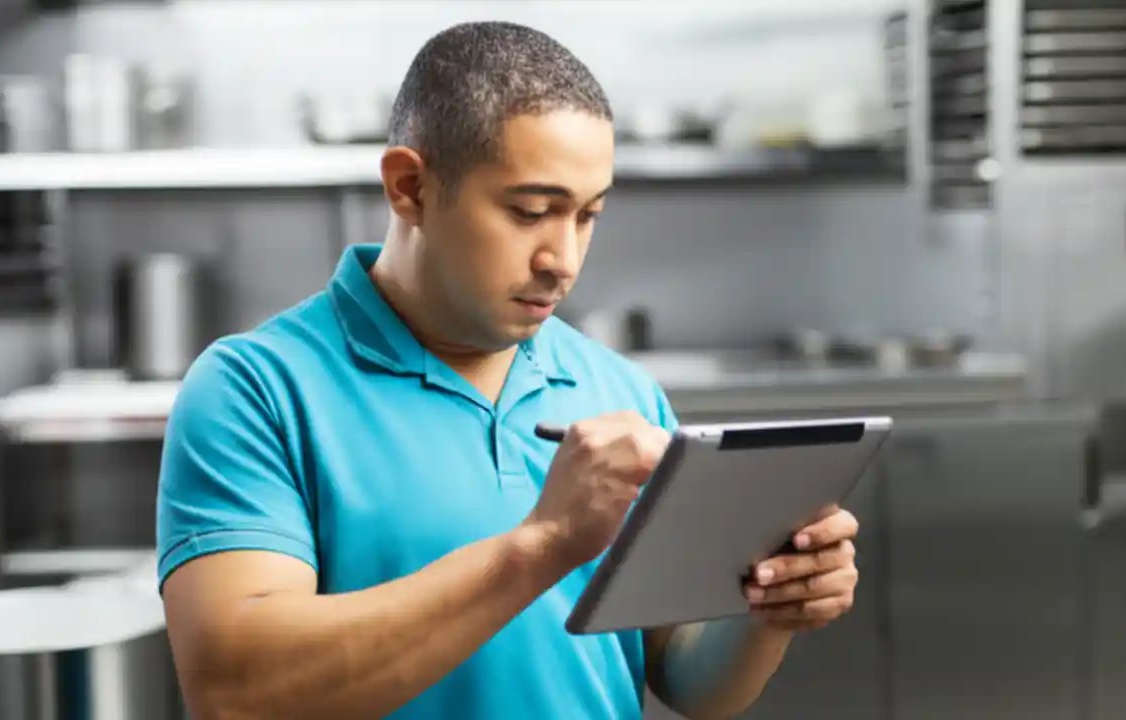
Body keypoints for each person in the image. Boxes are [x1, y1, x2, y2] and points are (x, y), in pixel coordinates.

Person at [157, 21, 860, 720]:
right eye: (531, 211)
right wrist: (543, 545)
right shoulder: (255, 391)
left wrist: (767, 609)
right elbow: (237, 692)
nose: (564, 258)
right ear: (410, 188)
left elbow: (686, 681)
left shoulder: (621, 393)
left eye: (587, 216)